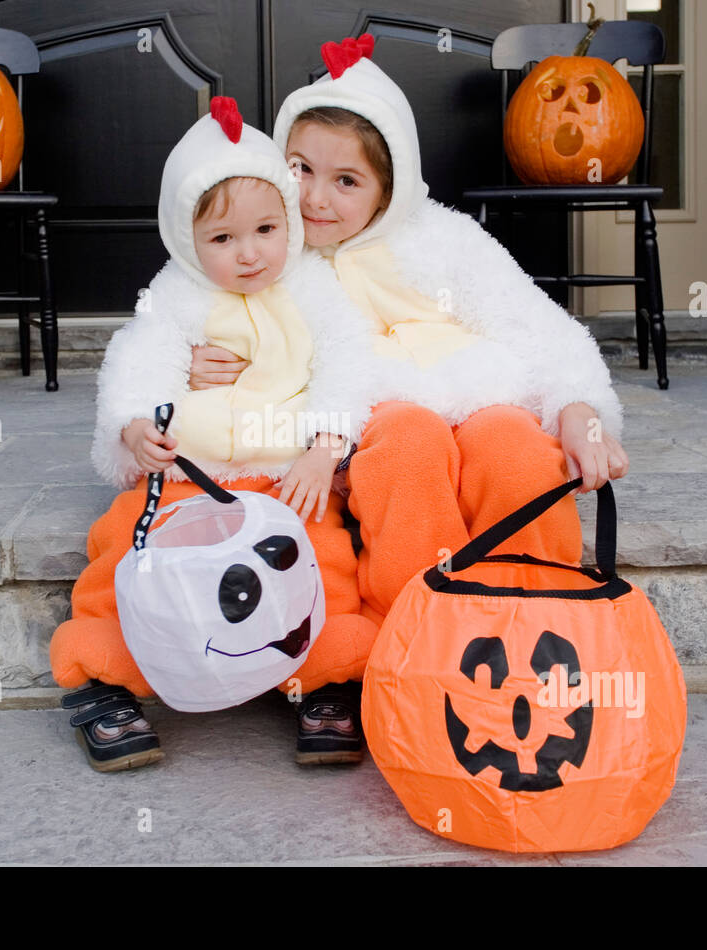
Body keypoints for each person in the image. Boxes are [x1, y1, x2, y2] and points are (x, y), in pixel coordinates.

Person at [191, 35, 630, 624]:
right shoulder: (267, 246)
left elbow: (536, 325)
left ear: (389, 187)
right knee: (408, 447)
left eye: (347, 181)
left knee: (518, 453)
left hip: (478, 392)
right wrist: (196, 365)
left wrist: (581, 409)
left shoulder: (438, 237)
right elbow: (213, 320)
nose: (316, 198)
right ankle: (415, 623)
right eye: (301, 170)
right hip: (370, 413)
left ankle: (540, 615)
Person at [51, 97, 379, 771]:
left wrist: (325, 448)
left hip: (284, 472)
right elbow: (137, 359)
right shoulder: (176, 293)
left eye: (265, 229)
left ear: (288, 220)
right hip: (188, 474)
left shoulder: (310, 288)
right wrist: (138, 426)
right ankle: (104, 677)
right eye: (223, 240)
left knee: (323, 555)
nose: (250, 254)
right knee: (126, 550)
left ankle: (326, 677)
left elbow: (349, 359)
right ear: (186, 238)